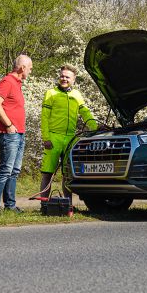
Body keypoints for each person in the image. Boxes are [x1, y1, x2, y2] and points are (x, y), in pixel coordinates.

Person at [39, 64, 97, 195]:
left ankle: (67, 204)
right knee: (48, 174)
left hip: (70, 138)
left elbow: (85, 113)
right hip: (53, 138)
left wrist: (96, 127)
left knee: (68, 174)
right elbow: (44, 117)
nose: (64, 79)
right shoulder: (51, 93)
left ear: (73, 79)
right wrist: (46, 138)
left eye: (67, 77)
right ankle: (44, 205)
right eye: (62, 76)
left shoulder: (77, 94)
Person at [0, 54, 33, 212]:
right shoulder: (8, 81)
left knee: (14, 171)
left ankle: (10, 205)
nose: (30, 71)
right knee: (6, 169)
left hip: (19, 133)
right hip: (8, 133)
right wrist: (8, 125)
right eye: (30, 68)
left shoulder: (18, 84)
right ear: (22, 68)